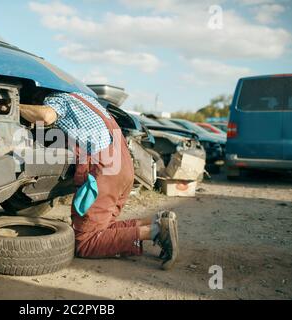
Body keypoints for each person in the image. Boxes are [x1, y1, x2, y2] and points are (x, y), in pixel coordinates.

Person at [19, 91, 179, 270]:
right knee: (103, 227)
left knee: (85, 241)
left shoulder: (56, 99)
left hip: (104, 169)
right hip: (123, 165)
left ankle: (156, 232)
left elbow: (45, 116)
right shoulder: (85, 99)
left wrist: (16, 107)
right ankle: (158, 221)